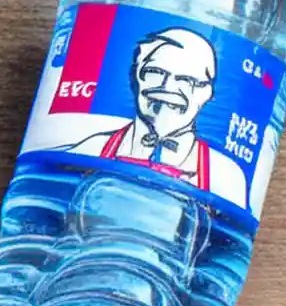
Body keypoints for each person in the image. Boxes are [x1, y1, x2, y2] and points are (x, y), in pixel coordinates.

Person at [57, 27, 247, 207]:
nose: (168, 88)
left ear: (208, 93)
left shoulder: (225, 176)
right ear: (135, 77)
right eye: (155, 72)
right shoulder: (88, 149)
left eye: (188, 80)